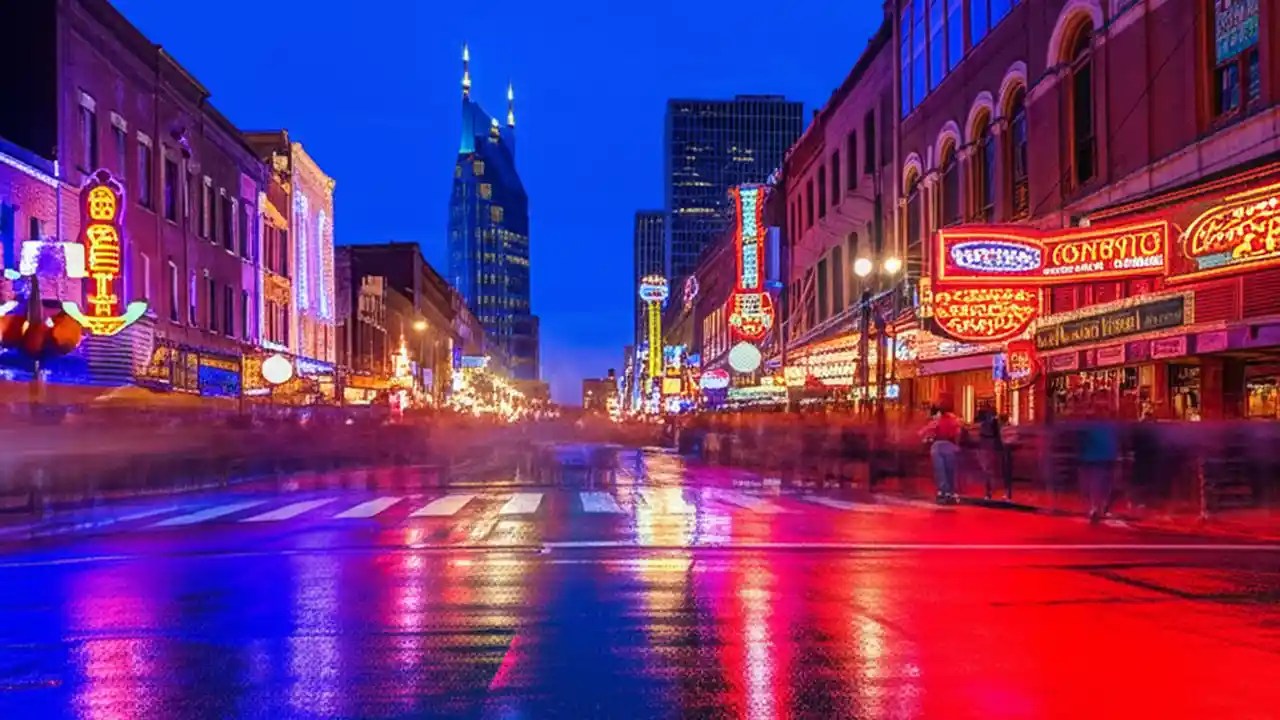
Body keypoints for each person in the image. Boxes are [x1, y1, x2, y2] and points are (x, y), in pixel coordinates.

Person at [920, 405, 961, 503]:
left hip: (938, 446)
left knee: (940, 470)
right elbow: (958, 433)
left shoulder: (937, 420)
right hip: (950, 446)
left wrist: (925, 438)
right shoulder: (954, 420)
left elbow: (924, 432)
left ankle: (942, 492)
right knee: (950, 470)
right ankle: (951, 492)